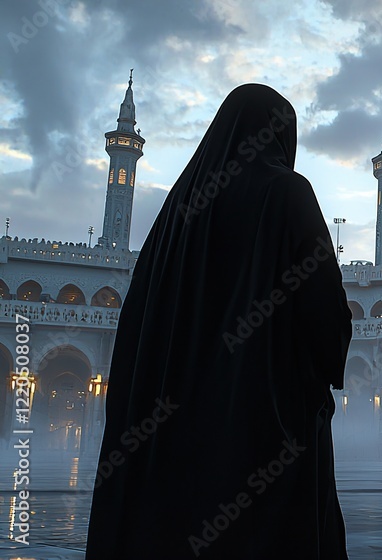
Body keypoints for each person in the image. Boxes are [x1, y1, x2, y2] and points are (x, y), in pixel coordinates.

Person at [85, 84, 353, 559]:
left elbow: (137, 330)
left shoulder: (176, 215)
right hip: (262, 439)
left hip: (171, 448)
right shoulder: (286, 192)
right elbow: (325, 312)